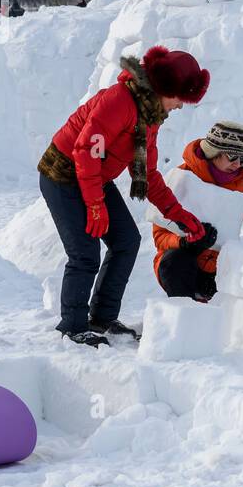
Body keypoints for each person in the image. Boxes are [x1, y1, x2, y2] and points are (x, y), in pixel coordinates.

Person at [38, 46, 213, 347]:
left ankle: (102, 317)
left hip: (94, 177)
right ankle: (72, 326)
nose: (181, 106)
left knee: (126, 241)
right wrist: (94, 205)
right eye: (180, 97)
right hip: (63, 174)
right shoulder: (118, 101)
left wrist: (178, 214)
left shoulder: (150, 116)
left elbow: (147, 173)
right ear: (165, 87)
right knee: (84, 253)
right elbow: (85, 152)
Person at [153, 122, 243, 302]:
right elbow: (160, 232)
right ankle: (184, 319)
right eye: (232, 156)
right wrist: (185, 243)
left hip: (219, 268)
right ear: (213, 152)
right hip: (181, 260)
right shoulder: (182, 178)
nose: (237, 164)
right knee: (175, 261)